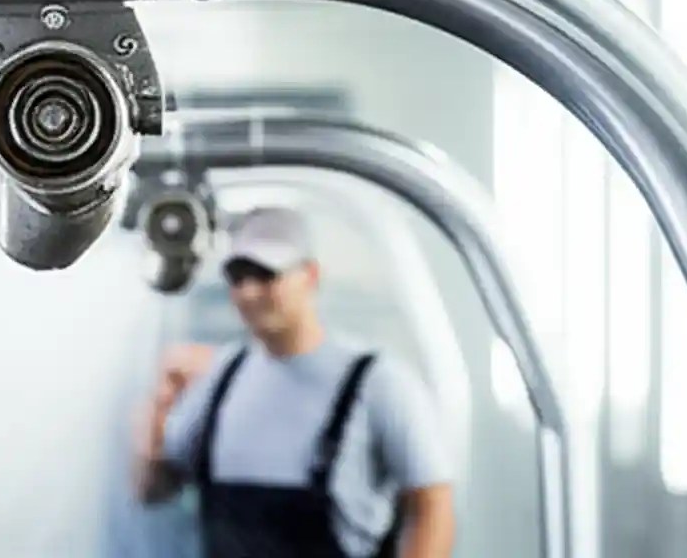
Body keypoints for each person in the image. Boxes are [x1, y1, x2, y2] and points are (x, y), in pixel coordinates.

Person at [134, 206, 455, 557]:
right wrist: (162, 399)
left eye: (265, 274)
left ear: (310, 275)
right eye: (238, 277)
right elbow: (152, 489)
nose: (249, 292)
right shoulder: (219, 377)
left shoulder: (377, 382)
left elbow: (432, 506)